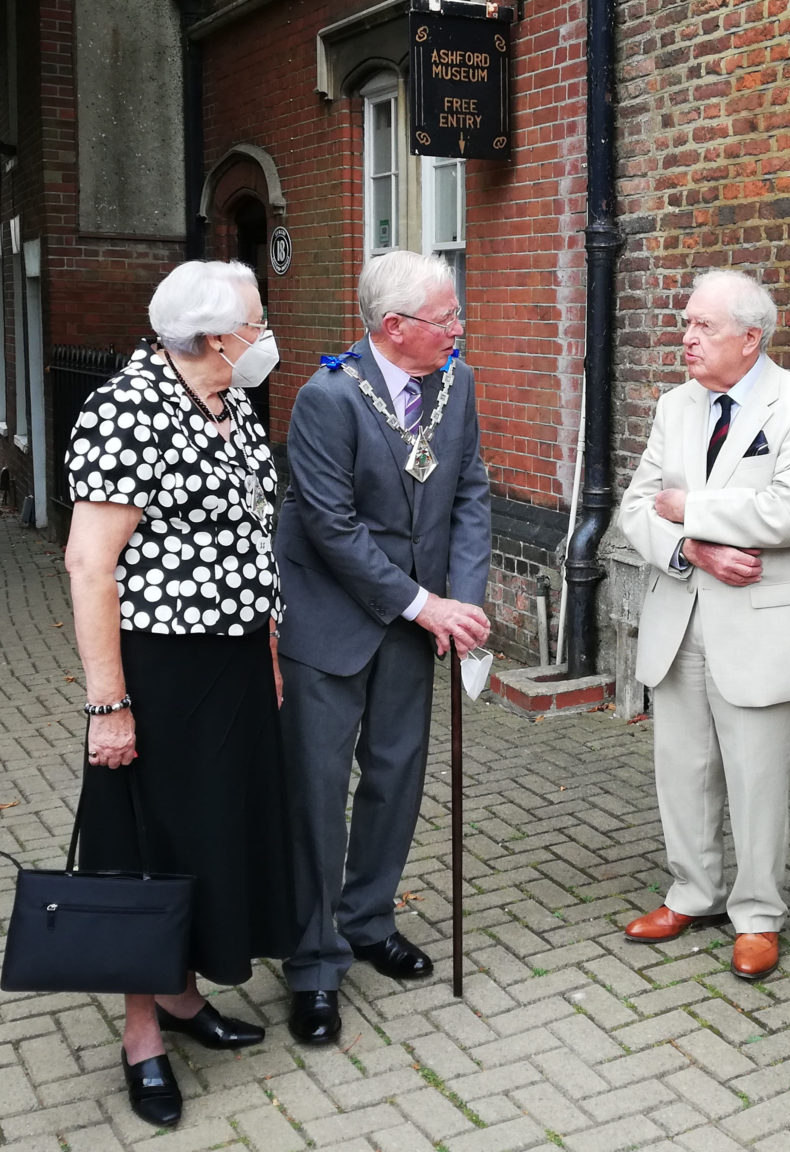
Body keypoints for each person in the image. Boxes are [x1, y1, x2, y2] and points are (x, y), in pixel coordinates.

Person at [62, 259, 297, 1129]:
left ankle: (184, 996)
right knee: (148, 847)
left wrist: (265, 647)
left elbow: (251, 543)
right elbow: (91, 567)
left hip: (233, 665)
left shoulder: (227, 404)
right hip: (160, 672)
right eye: (256, 320)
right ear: (211, 336)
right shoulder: (127, 409)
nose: (265, 332)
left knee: (212, 837)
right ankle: (141, 1034)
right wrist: (108, 704)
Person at [276, 250, 491, 1044]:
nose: (459, 331)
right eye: (447, 320)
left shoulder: (457, 383)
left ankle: (366, 920)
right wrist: (419, 602)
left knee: (396, 780)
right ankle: (314, 962)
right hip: (329, 628)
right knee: (316, 797)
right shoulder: (325, 398)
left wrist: (460, 599)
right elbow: (329, 525)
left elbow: (469, 485)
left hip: (418, 622)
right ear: (394, 328)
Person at [618, 268, 790, 981]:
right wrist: (692, 548)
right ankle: (694, 893)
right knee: (682, 770)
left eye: (701, 326)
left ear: (751, 338)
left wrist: (689, 510)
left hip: (759, 625)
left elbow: (789, 513)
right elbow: (634, 508)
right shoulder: (676, 406)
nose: (686, 338)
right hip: (680, 612)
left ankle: (758, 915)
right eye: (686, 324)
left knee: (756, 777)